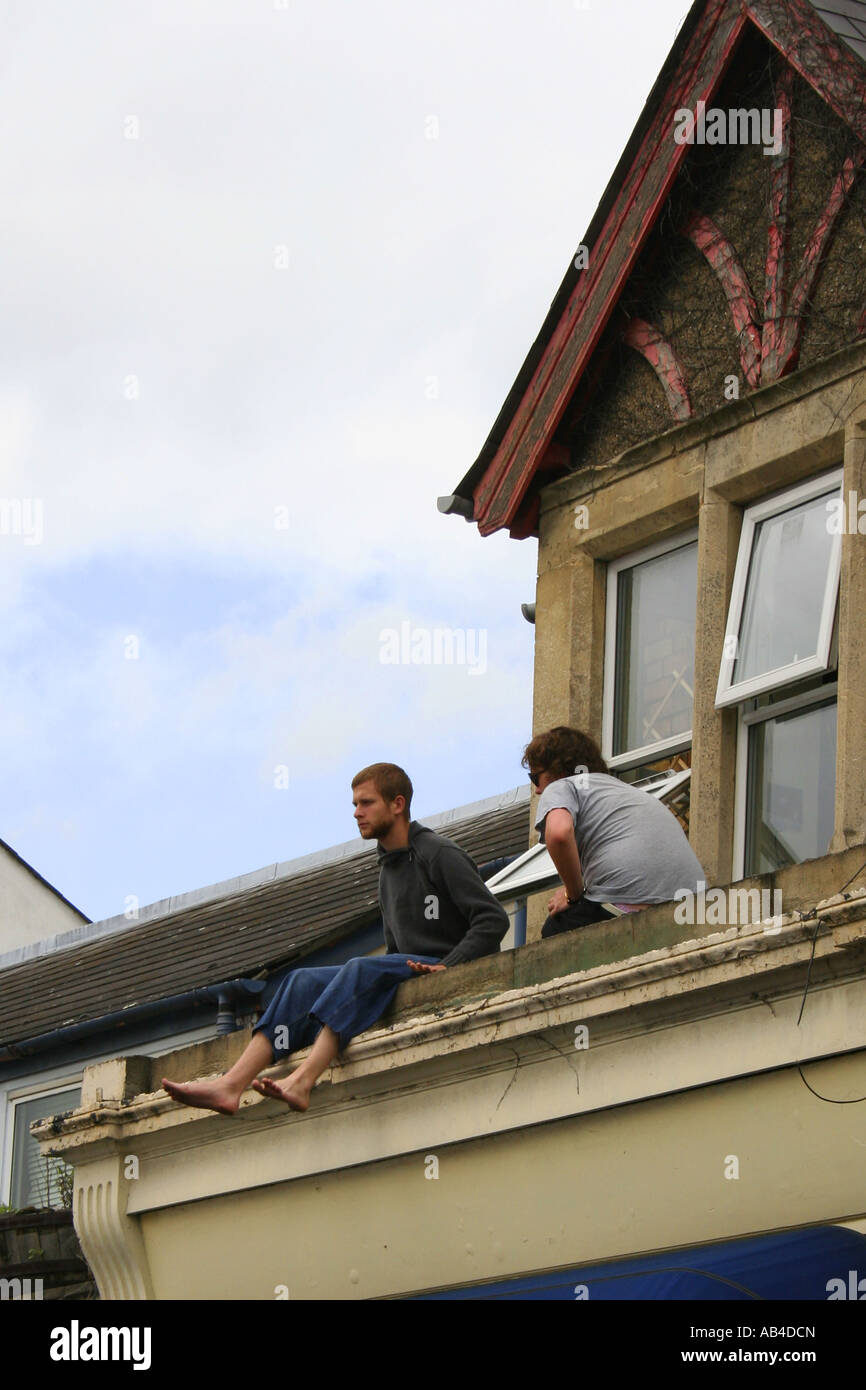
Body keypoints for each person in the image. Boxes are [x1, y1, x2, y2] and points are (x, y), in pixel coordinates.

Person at [162, 762, 509, 1114]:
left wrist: (449, 967)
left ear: (398, 804)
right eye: (355, 805)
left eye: (366, 803)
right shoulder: (387, 868)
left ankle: (303, 1080)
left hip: (439, 966)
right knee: (300, 980)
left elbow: (492, 920)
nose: (357, 813)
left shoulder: (438, 853)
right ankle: (231, 1085)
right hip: (405, 968)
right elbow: (393, 952)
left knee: (359, 967)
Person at [523, 726, 705, 939]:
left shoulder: (562, 786)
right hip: (694, 910)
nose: (536, 790)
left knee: (555, 930)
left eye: (535, 777)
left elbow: (559, 834)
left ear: (559, 771)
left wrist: (572, 895)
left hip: (630, 906)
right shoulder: (630, 793)